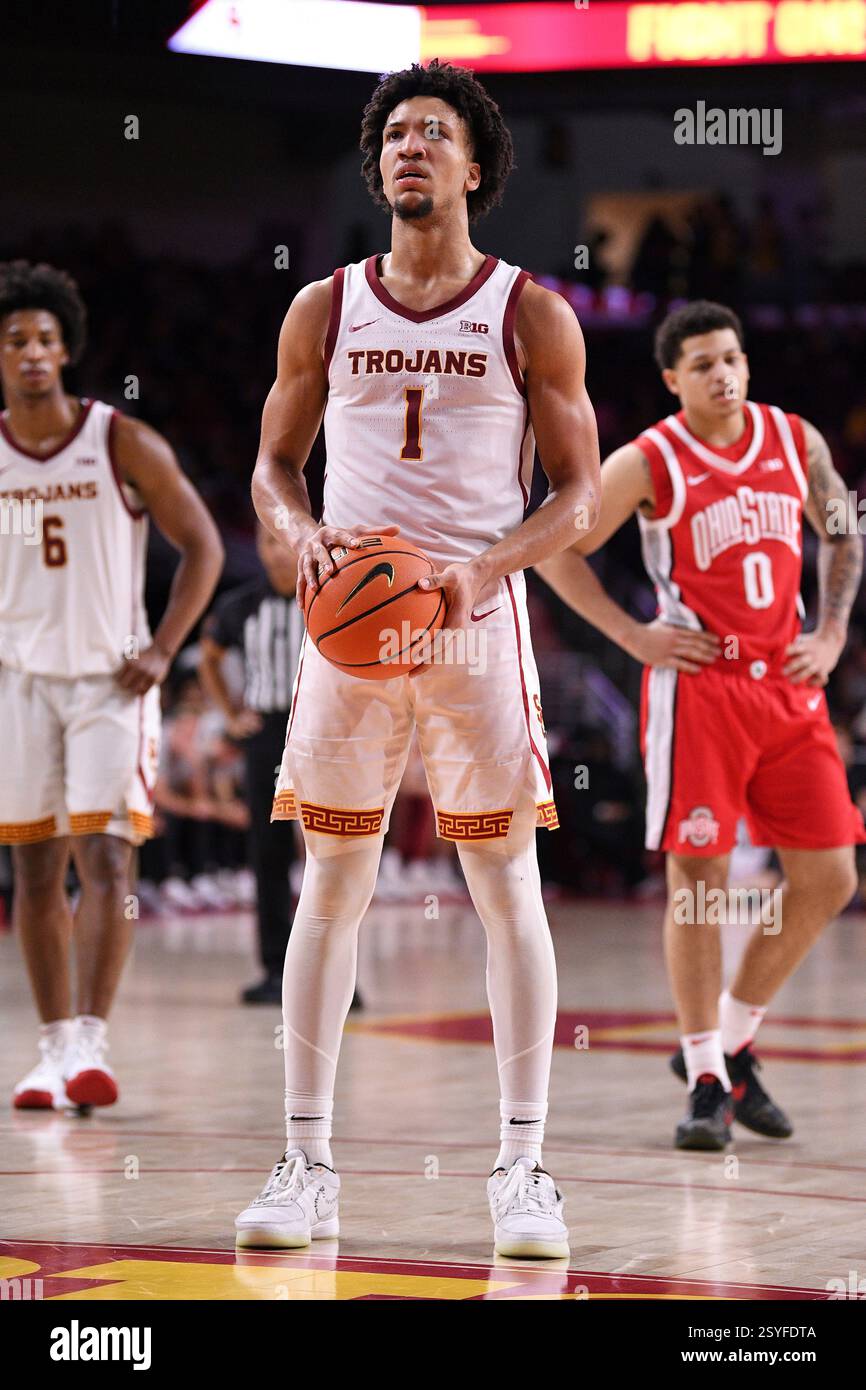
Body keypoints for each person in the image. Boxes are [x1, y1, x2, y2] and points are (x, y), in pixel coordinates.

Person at [235, 59, 600, 1258]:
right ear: (376, 163)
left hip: (470, 624)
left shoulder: (529, 311)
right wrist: (299, 542)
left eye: (434, 132)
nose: (410, 147)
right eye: (394, 133)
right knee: (328, 884)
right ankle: (303, 1162)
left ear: (473, 167)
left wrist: (483, 568)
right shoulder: (324, 307)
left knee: (503, 887)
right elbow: (273, 472)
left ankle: (522, 1169)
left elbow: (580, 495)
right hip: (349, 628)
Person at [537, 299, 864, 1150]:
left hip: (790, 686)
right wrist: (630, 633)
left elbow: (843, 528)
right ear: (673, 379)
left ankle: (734, 1038)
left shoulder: (797, 440)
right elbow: (556, 548)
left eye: (733, 357)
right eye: (704, 363)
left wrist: (830, 632)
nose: (724, 373)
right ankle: (707, 1075)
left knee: (829, 876)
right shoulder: (649, 459)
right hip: (701, 689)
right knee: (700, 886)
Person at [0, 259, 224, 1111]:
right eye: (16, 339)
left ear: (67, 352)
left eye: (46, 340)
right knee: (31, 870)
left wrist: (166, 648)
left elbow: (202, 546)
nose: (31, 353)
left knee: (104, 857)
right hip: (19, 683)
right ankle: (50, 1051)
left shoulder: (117, 439)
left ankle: (92, 1040)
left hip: (109, 682)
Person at [201, 524, 333, 1004]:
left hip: (322, 731)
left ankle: (335, 971)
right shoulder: (240, 605)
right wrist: (232, 715)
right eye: (265, 543)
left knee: (333, 853)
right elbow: (208, 660)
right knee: (268, 851)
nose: (275, 553)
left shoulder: (328, 595)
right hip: (266, 736)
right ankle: (276, 969)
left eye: (282, 541)